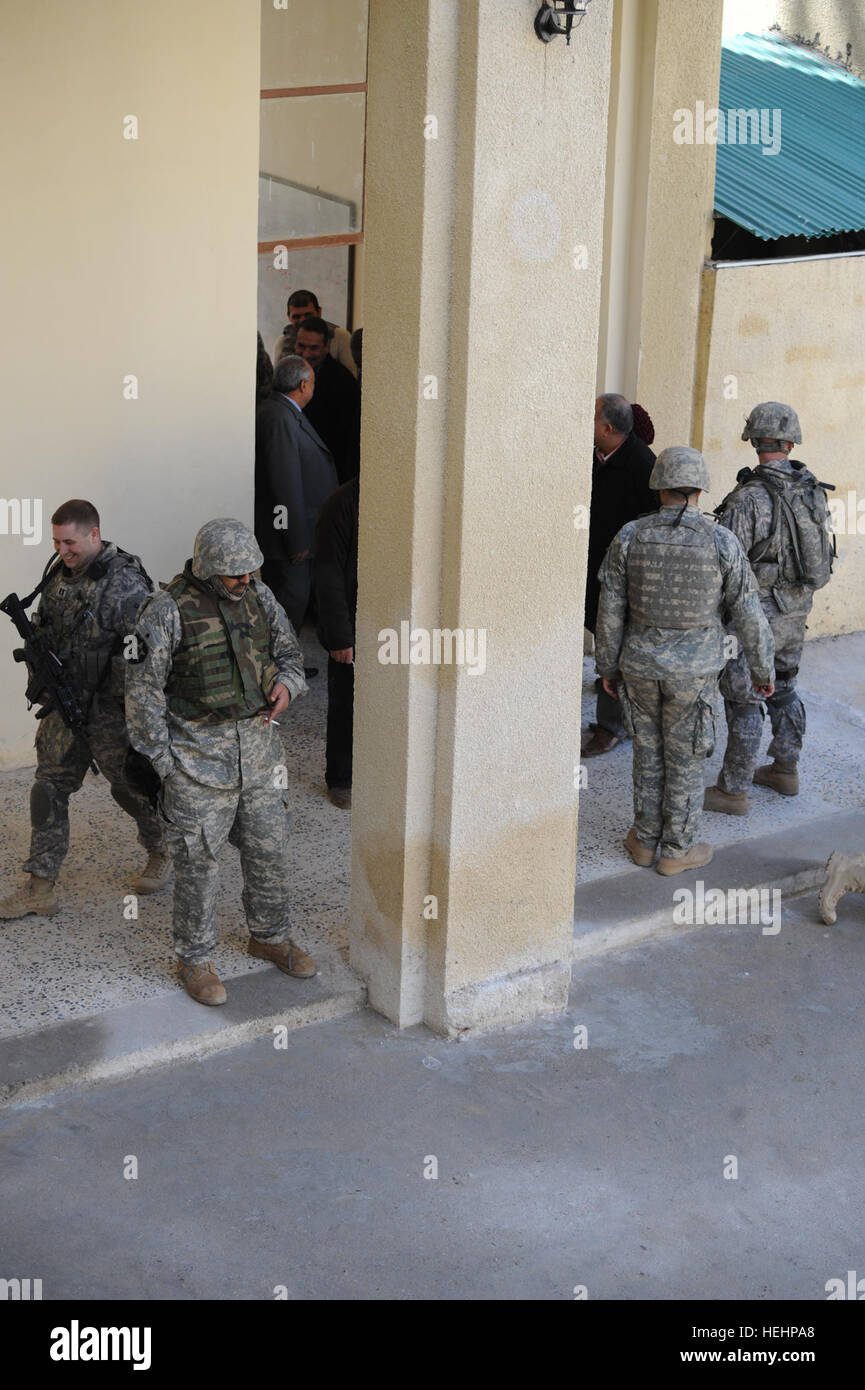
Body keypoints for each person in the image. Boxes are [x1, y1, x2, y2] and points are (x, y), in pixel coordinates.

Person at [124, 519, 314, 1006]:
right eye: (234, 575)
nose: (245, 581)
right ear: (209, 570)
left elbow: (291, 654)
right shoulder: (164, 612)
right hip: (196, 762)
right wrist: (166, 765)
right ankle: (194, 959)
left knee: (268, 850)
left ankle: (269, 936)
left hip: (260, 753)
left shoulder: (260, 596)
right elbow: (141, 693)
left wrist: (286, 687)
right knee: (198, 862)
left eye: (250, 571)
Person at [595, 448, 775, 875]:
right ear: (699, 488)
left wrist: (607, 666)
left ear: (659, 484)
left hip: (639, 667)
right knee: (687, 757)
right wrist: (763, 671)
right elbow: (750, 613)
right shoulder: (721, 541)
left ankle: (643, 840)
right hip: (692, 674)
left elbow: (610, 610)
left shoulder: (629, 535)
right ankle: (676, 850)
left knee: (647, 752)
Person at [0, 499, 168, 921]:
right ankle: (40, 887)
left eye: (70, 541)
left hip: (111, 711)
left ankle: (162, 848)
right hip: (63, 704)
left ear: (94, 534)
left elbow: (146, 655)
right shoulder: (58, 574)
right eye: (57, 541)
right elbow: (45, 630)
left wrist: (130, 707)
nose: (63, 550)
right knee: (48, 789)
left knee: (131, 788)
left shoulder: (125, 583)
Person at [704, 403, 834, 814]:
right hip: (796, 610)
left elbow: (727, 562)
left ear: (754, 441)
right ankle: (784, 768)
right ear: (790, 442)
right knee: (785, 686)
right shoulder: (811, 489)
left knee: (744, 697)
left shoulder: (748, 498)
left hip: (754, 617)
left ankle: (733, 790)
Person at [583, 394, 658, 757]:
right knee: (603, 639)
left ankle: (611, 727)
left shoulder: (642, 464)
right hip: (594, 567)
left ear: (608, 428)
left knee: (614, 647)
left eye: (591, 417)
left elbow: (652, 526)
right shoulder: (595, 456)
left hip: (623, 578)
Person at [254, 354, 339, 638]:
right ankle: (281, 672)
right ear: (303, 385)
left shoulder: (283, 411)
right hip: (286, 542)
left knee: (293, 601)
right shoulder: (279, 416)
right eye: (313, 383)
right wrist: (296, 541)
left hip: (291, 536)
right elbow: (284, 481)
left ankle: (287, 667)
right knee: (290, 601)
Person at [314, 475, 359, 809]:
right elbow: (327, 575)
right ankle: (341, 779)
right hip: (351, 625)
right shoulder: (343, 503)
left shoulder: (405, 496)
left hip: (392, 621)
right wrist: (340, 636)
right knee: (346, 701)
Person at [294, 316, 362, 485]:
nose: (306, 354)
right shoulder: (288, 373)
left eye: (314, 348)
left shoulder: (343, 382)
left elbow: (346, 443)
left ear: (326, 347)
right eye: (301, 346)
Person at [272, 289, 357, 379]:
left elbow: (351, 376)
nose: (302, 320)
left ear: (319, 312)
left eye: (308, 315)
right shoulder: (282, 342)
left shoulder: (341, 337)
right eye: (296, 316)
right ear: (289, 316)